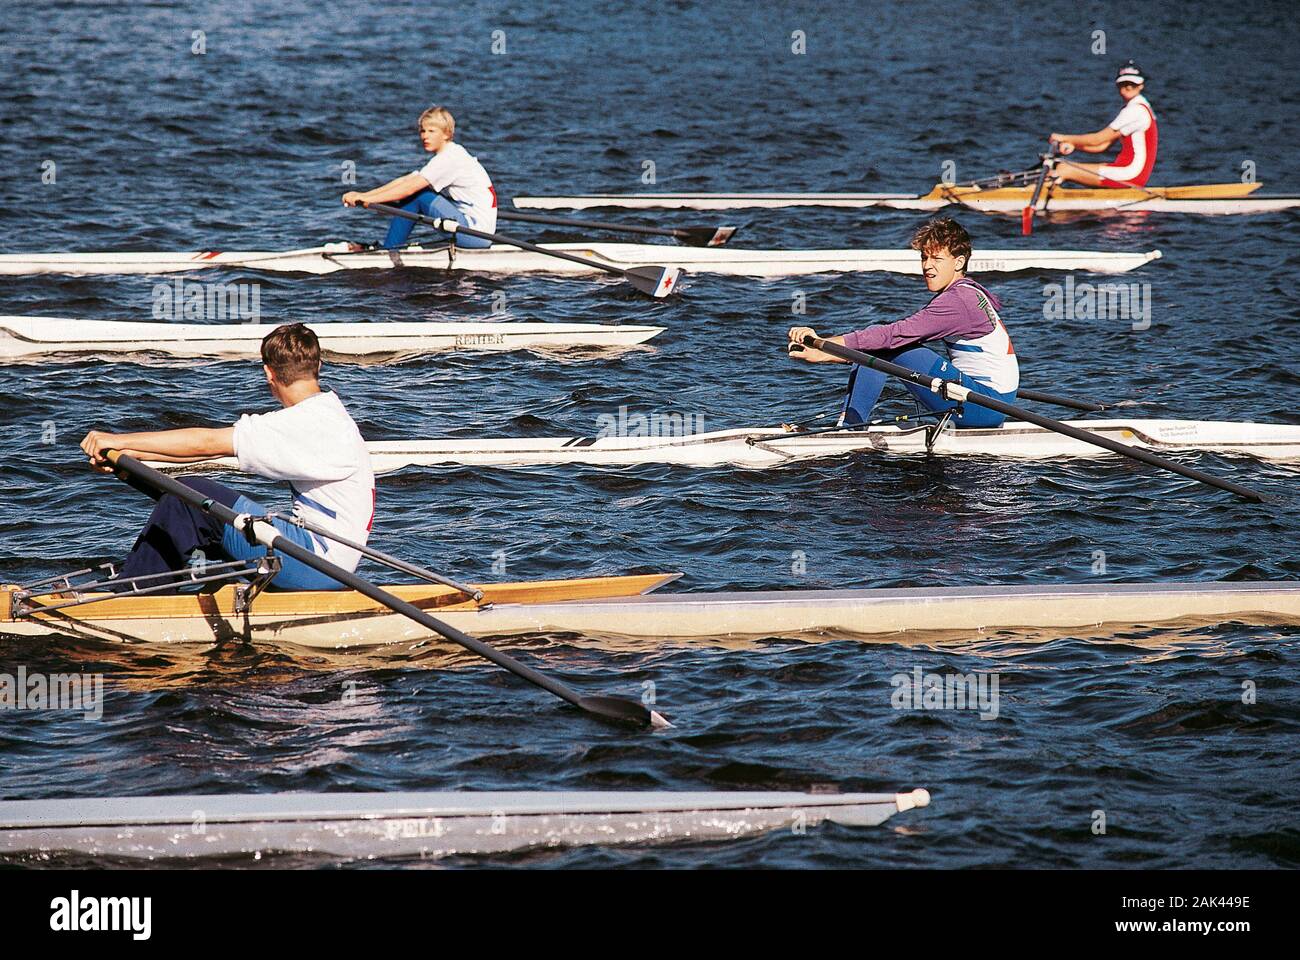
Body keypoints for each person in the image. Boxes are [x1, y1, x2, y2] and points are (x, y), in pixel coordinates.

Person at [79, 323, 375, 592]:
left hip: (317, 564)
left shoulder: (308, 423)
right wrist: (126, 460)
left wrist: (117, 440)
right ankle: (175, 590)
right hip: (326, 561)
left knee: (192, 499)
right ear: (318, 366)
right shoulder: (328, 415)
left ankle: (130, 600)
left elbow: (207, 443)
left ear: (268, 373)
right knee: (190, 500)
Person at [787, 217, 1018, 428]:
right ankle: (850, 425)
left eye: (937, 258)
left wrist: (822, 345)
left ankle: (849, 427)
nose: (927, 266)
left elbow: (893, 336)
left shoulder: (959, 300)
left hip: (983, 406)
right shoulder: (968, 292)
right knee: (883, 344)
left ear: (958, 263)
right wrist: (827, 353)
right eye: (924, 257)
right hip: (990, 403)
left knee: (885, 342)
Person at [342, 105, 497, 249]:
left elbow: (409, 188)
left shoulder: (450, 159)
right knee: (415, 195)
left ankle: (388, 249)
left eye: (431, 131)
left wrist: (368, 200)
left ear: (446, 134)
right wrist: (364, 196)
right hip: (472, 229)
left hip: (475, 234)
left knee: (419, 196)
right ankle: (389, 247)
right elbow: (406, 180)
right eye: (423, 131)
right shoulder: (450, 154)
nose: (424, 136)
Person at [1048, 60, 1157, 188]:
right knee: (1063, 167)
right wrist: (1073, 145)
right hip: (1129, 172)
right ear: (1117, 86)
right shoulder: (1137, 107)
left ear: (1141, 86)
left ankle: (1030, 199)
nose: (1128, 87)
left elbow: (1097, 139)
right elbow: (1101, 146)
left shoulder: (1135, 110)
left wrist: (1062, 138)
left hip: (1130, 174)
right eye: (1123, 84)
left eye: (1132, 84)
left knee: (1064, 169)